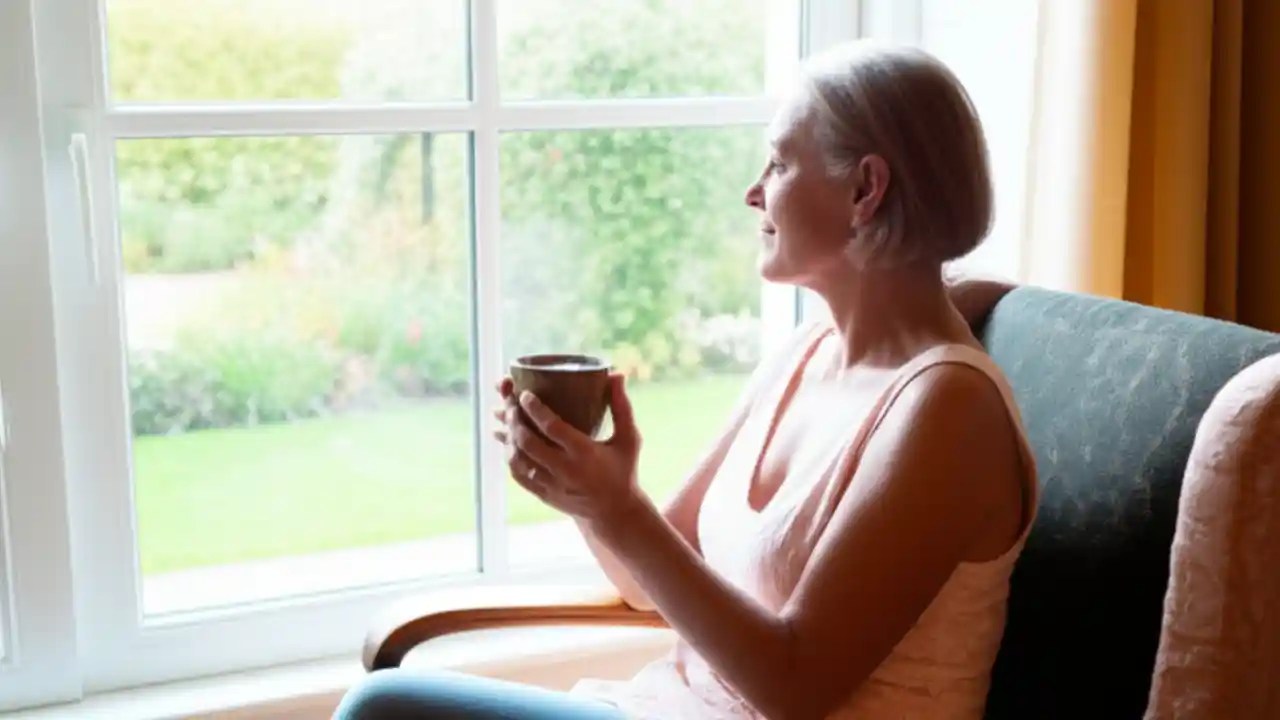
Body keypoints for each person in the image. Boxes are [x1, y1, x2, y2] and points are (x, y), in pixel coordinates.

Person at [335, 40, 1037, 720]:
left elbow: (796, 689)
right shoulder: (807, 355)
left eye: (779, 163)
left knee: (383, 709)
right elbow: (643, 585)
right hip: (657, 705)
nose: (753, 192)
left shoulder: (948, 410)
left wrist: (620, 511)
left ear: (865, 189)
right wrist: (585, 491)